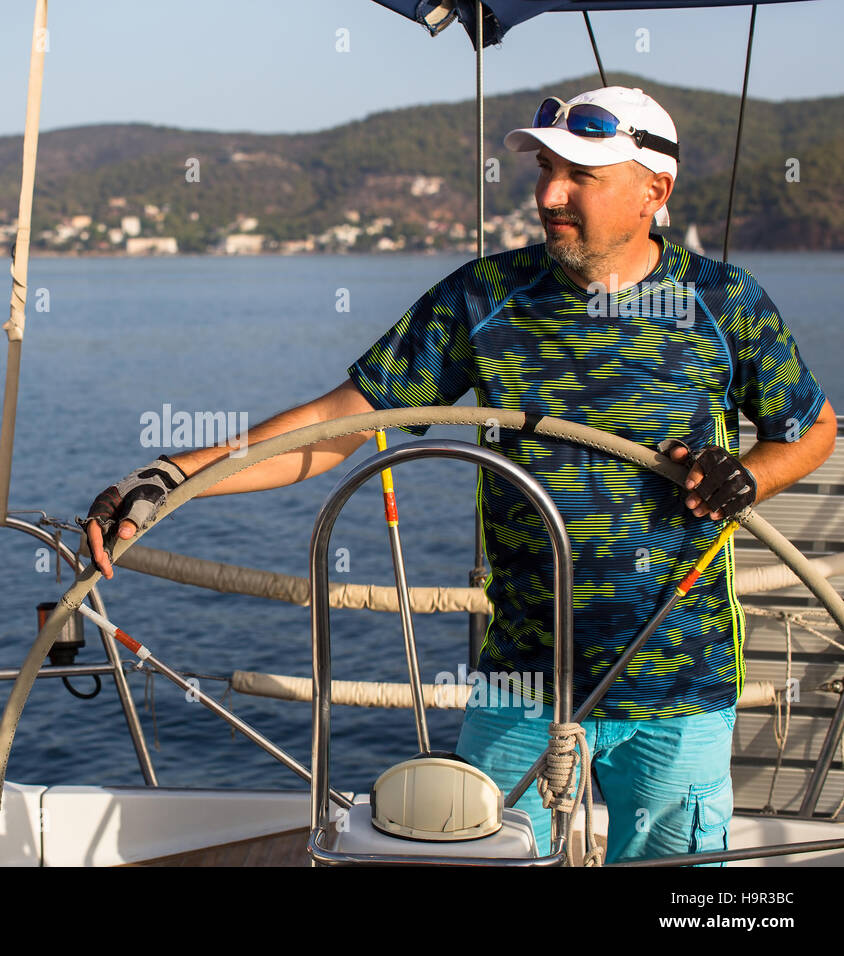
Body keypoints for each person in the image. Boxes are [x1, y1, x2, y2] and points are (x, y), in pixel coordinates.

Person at [82, 86, 837, 864]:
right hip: (522, 679)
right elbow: (338, 424)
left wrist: (748, 478)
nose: (549, 196)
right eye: (545, 170)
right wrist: (168, 478)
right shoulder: (484, 298)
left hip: (678, 676)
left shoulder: (722, 302)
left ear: (655, 189)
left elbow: (811, 429)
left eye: (580, 175)